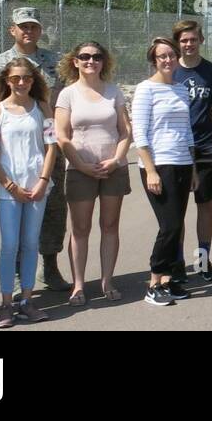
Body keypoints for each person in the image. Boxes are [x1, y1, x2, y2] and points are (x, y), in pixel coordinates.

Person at [0, 7, 68, 291]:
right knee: (14, 213)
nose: (28, 31)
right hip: (13, 147)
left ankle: (49, 266)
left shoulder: (55, 62)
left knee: (54, 209)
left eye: (33, 26)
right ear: (12, 29)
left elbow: (64, 99)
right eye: (23, 26)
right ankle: (14, 273)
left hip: (48, 144)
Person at [55, 42, 131, 305]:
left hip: (113, 169)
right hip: (79, 170)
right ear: (75, 61)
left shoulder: (114, 92)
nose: (91, 61)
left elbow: (125, 132)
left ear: (103, 61)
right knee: (80, 229)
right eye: (85, 57)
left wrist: (117, 159)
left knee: (110, 226)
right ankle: (78, 285)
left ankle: (107, 281)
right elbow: (62, 136)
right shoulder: (68, 94)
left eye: (97, 56)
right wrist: (81, 164)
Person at [0, 58, 56, 327]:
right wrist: (11, 186)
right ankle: (6, 304)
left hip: (38, 188)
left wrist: (42, 181)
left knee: (30, 244)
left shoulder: (43, 109)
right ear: (7, 81)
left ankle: (26, 300)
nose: (21, 83)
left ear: (33, 80)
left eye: (26, 78)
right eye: (15, 78)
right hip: (8, 191)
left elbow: (51, 148)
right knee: (9, 246)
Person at [132, 38, 197, 306]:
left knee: (177, 225)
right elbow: (140, 133)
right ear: (154, 60)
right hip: (159, 165)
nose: (168, 60)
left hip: (183, 163)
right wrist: (151, 171)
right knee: (168, 226)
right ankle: (153, 283)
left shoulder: (181, 89)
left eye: (171, 55)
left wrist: (193, 169)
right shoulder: (146, 89)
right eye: (162, 56)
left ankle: (168, 282)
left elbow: (187, 132)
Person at [172, 20, 212, 282]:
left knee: (204, 204)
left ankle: (203, 261)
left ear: (200, 40)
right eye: (184, 40)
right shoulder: (170, 72)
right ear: (177, 43)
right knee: (177, 208)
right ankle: (178, 262)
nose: (189, 44)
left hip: (206, 146)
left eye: (193, 39)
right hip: (177, 147)